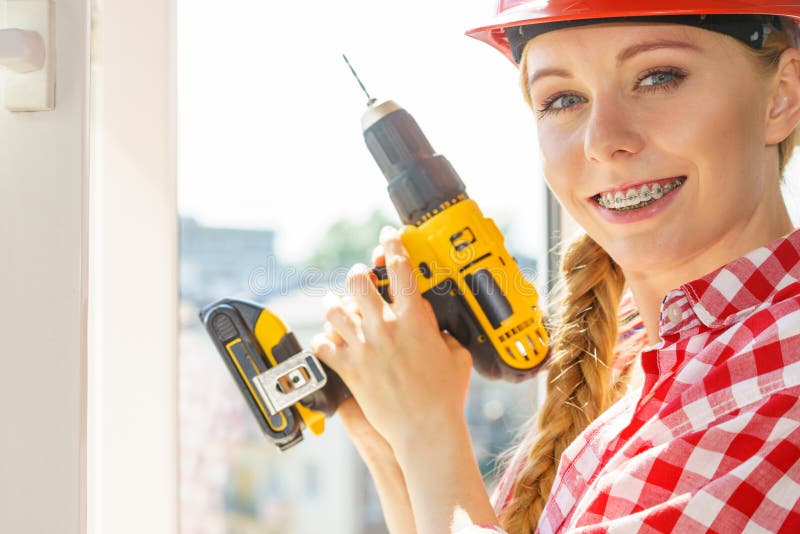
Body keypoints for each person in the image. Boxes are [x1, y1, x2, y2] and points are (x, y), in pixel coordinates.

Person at [310, 1, 800, 532]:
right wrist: (389, 441)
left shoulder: (785, 385)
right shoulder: (624, 369)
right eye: (563, 99)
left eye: (658, 77)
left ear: (782, 95)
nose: (602, 141)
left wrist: (427, 431)